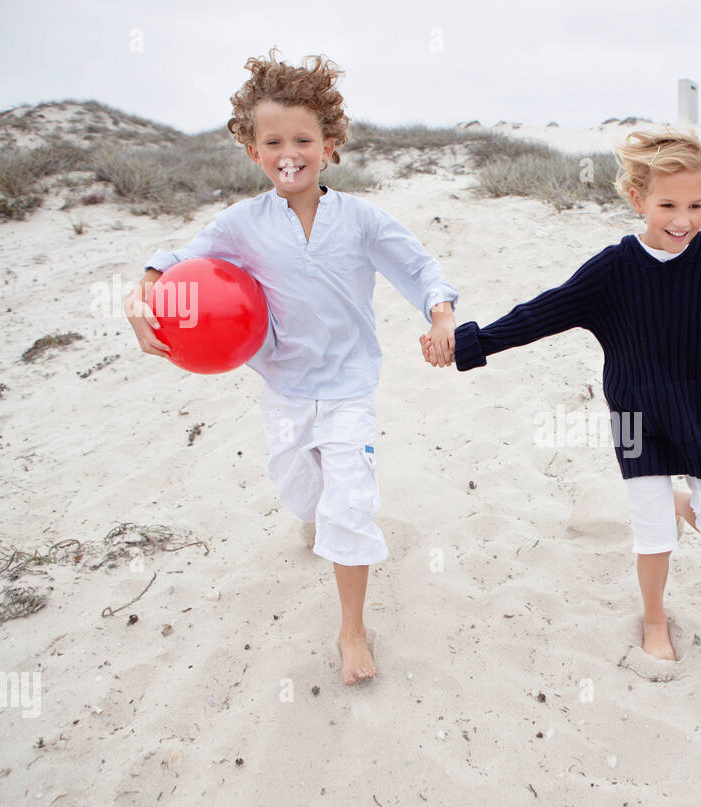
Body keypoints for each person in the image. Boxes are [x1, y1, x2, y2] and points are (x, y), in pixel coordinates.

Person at [422, 127, 701, 661]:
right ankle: (654, 617)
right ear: (637, 199)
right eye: (668, 204)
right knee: (654, 537)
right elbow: (542, 313)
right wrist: (471, 344)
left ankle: (674, 500)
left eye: (696, 205)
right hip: (636, 417)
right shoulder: (613, 270)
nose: (683, 219)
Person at [124, 48, 459, 685]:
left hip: (350, 386)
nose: (289, 151)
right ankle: (316, 513)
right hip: (282, 384)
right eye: (272, 139)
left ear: (328, 145)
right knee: (301, 490)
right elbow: (175, 259)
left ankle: (352, 629)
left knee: (348, 504)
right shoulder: (242, 225)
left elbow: (418, 267)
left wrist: (440, 315)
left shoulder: (360, 219)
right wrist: (142, 293)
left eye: (303, 139)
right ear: (252, 149)